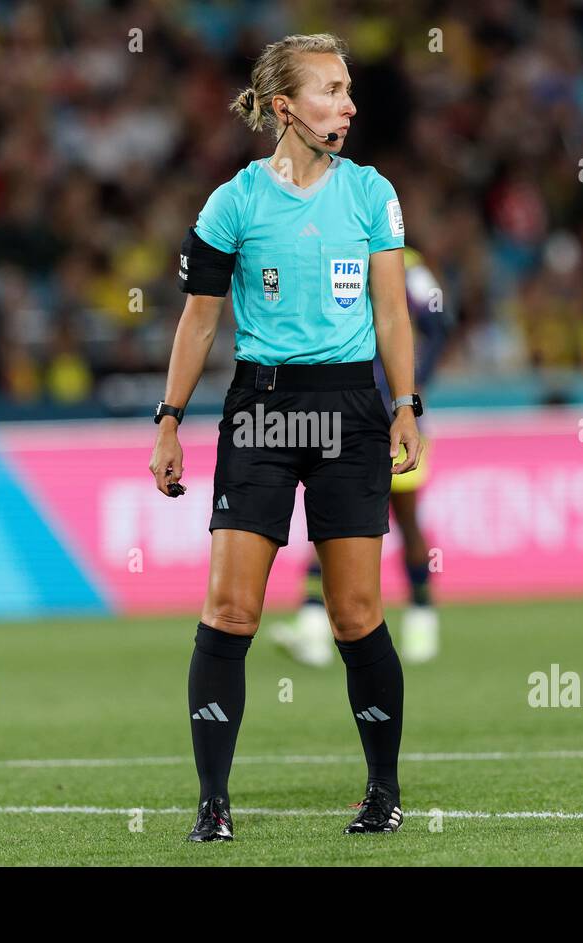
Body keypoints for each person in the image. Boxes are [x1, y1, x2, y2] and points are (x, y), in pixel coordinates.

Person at [149, 33, 423, 841]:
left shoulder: (372, 194)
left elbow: (392, 312)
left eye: (347, 89)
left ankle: (382, 790)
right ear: (284, 108)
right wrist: (169, 420)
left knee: (355, 613)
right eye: (332, 90)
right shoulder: (231, 202)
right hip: (263, 410)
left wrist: (407, 403)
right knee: (231, 610)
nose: (349, 103)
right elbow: (199, 323)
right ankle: (213, 803)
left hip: (349, 409)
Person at [271, 245, 453, 666]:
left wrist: (412, 383)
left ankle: (422, 615)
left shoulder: (407, 264)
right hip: (340, 408)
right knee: (329, 513)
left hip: (393, 414)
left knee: (405, 517)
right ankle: (314, 627)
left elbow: (439, 323)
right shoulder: (332, 250)